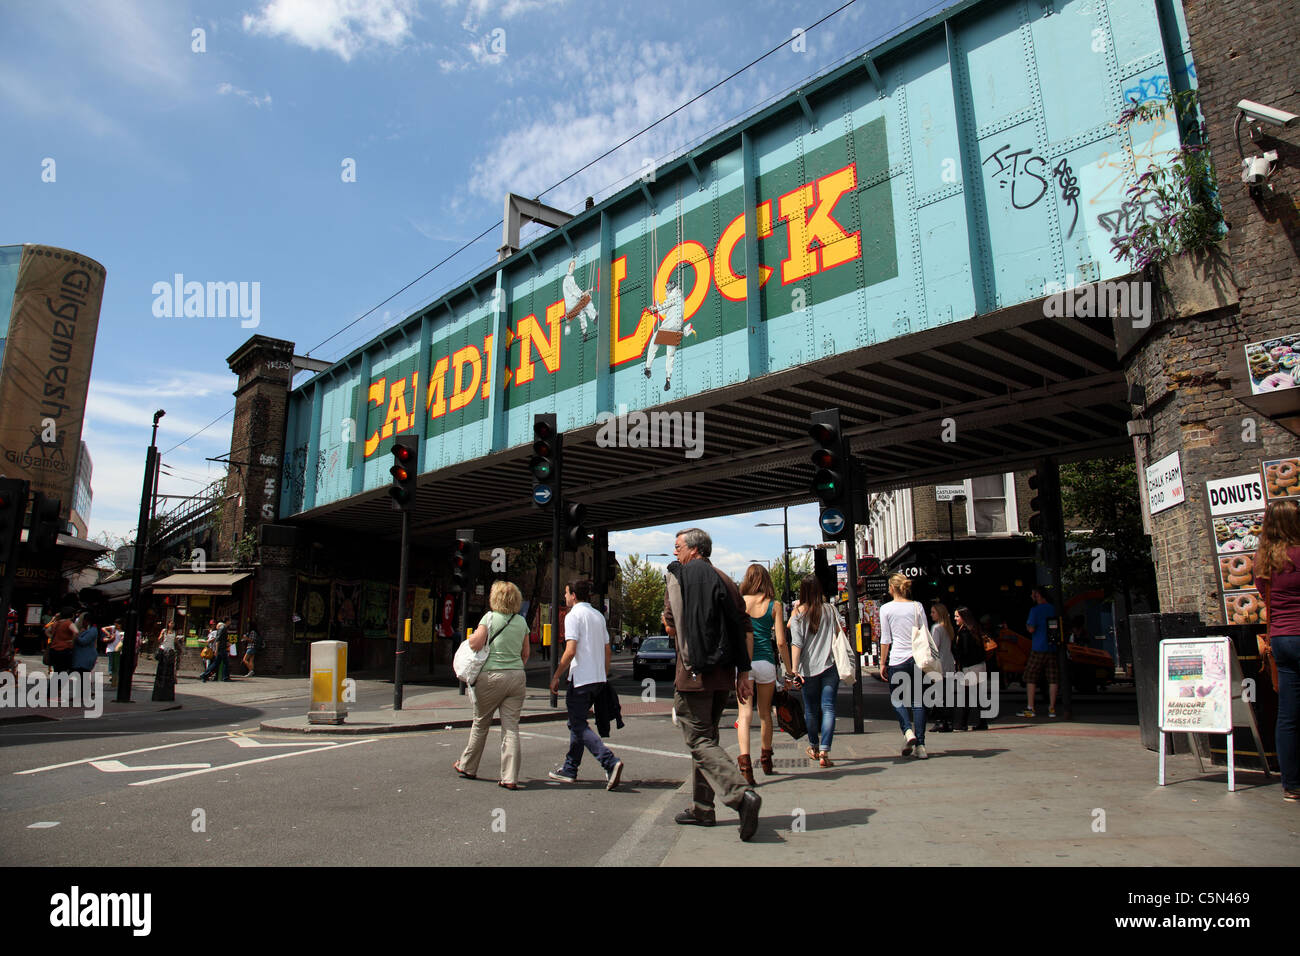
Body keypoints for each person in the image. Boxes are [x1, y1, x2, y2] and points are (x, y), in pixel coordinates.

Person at [662, 528, 762, 840]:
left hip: (694, 675)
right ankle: (702, 808)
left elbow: (669, 625)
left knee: (698, 741)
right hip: (724, 676)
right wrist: (743, 675)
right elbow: (743, 627)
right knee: (708, 739)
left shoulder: (678, 578)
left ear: (693, 549)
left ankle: (740, 794)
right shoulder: (726, 580)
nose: (675, 552)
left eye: (677, 546)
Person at [548, 579, 624, 789]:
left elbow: (570, 650)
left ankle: (610, 761)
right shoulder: (598, 615)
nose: (564, 597)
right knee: (576, 723)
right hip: (597, 679)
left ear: (573, 595)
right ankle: (570, 769)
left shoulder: (573, 616)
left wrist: (556, 675)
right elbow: (607, 649)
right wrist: (603, 672)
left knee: (578, 724)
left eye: (566, 593)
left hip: (581, 679)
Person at [455, 581, 530, 790]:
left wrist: (473, 638)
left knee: (480, 723)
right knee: (511, 728)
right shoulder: (521, 622)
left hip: (491, 677)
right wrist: (514, 668)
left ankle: (468, 766)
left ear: (495, 598)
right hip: (517, 678)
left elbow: (475, 644)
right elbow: (526, 653)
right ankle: (510, 777)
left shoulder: (488, 618)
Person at [1255, 499, 1300, 802]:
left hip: (1281, 639)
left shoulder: (1263, 561)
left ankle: (1292, 784)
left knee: (1288, 715)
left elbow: (1264, 594)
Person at [737, 563, 793, 782]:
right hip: (766, 664)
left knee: (744, 715)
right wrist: (789, 671)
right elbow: (780, 641)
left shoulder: (740, 604)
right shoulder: (774, 605)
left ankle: (745, 766)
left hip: (744, 664)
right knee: (765, 713)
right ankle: (766, 758)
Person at [879, 573, 932, 759]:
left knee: (897, 699)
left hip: (897, 660)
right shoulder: (917, 606)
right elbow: (924, 631)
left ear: (892, 588)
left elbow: (886, 639)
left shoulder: (886, 609)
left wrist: (882, 662)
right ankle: (921, 746)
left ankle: (908, 732)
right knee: (919, 702)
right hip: (917, 658)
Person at [790, 575, 841, 767]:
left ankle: (814, 746)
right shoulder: (830, 610)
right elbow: (838, 634)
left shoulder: (798, 614)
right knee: (828, 708)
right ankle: (825, 751)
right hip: (829, 666)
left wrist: (794, 670)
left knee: (810, 710)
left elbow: (796, 644)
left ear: (802, 591)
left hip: (808, 669)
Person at [642, 276, 695, 392]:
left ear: (671, 289)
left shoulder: (674, 296)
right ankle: (668, 379)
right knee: (670, 355)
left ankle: (648, 367)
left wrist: (656, 307)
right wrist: (656, 307)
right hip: (676, 329)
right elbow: (664, 310)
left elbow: (663, 308)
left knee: (654, 344)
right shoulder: (679, 297)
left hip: (668, 327)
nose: (666, 292)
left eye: (667, 289)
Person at [1021, 588, 1059, 718]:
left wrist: (1027, 626)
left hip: (1038, 647)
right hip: (1052, 647)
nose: (1031, 596)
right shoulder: (1053, 608)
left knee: (1031, 676)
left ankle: (1030, 707)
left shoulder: (1035, 610)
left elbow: (1031, 628)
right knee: (1052, 678)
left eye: (1033, 594)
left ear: (1038, 595)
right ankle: (1052, 708)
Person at [953, 606, 989, 731]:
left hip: (969, 667)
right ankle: (982, 722)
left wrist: (958, 663)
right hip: (980, 665)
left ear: (963, 617)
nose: (955, 618)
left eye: (957, 616)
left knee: (967, 696)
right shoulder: (975, 629)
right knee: (977, 695)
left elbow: (965, 651)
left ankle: (962, 723)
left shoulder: (964, 632)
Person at [928, 602, 957, 733]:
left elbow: (934, 648)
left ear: (939, 613)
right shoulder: (948, 627)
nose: (931, 614)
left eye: (933, 612)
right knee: (949, 694)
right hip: (950, 663)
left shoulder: (936, 628)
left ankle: (940, 721)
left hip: (939, 665)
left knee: (939, 695)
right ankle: (949, 722)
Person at [562, 258, 598, 339]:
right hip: (573, 304)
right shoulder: (568, 279)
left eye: (573, 266)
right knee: (587, 300)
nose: (573, 268)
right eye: (571, 266)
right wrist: (583, 293)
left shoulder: (568, 279)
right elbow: (575, 291)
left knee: (581, 313)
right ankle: (594, 317)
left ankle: (584, 333)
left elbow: (576, 290)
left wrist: (583, 292)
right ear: (569, 268)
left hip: (569, 309)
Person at [47, 610, 77, 675]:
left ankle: (54, 684)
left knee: (57, 670)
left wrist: (52, 637)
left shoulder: (55, 624)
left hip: (54, 649)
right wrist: (72, 641)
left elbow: (47, 631)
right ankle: (60, 683)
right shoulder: (68, 623)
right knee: (65, 670)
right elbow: (76, 632)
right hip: (64, 649)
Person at [103, 619, 124, 687]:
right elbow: (103, 628)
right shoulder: (113, 628)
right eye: (116, 624)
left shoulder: (123, 631)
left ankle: (114, 677)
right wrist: (108, 633)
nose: (117, 625)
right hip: (110, 648)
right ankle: (111, 674)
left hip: (118, 649)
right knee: (111, 661)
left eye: (118, 624)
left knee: (116, 663)